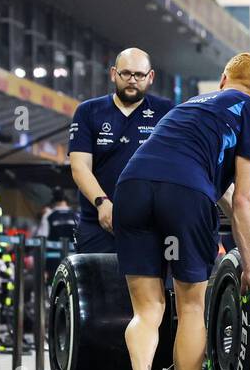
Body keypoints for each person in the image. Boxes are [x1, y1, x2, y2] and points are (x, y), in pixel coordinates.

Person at [114, 52, 250, 370]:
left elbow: (224, 191)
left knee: (147, 311)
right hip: (185, 194)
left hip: (131, 187)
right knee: (191, 307)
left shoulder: (189, 106)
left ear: (224, 78)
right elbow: (244, 198)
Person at [67, 47, 174, 255]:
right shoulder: (88, 111)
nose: (132, 80)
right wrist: (102, 203)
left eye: (140, 74)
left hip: (150, 227)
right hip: (98, 224)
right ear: (114, 73)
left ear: (150, 77)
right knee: (98, 286)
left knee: (152, 288)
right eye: (126, 73)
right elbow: (79, 166)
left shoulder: (167, 112)